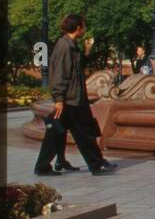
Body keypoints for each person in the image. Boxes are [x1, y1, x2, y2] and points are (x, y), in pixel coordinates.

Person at [45, 14, 115, 176]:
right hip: (70, 99)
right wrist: (59, 99)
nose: (85, 28)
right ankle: (96, 164)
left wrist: (87, 50)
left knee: (55, 133)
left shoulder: (70, 45)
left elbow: (76, 68)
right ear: (78, 28)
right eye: (84, 25)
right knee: (84, 133)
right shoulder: (65, 47)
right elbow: (61, 75)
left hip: (72, 98)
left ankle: (46, 165)